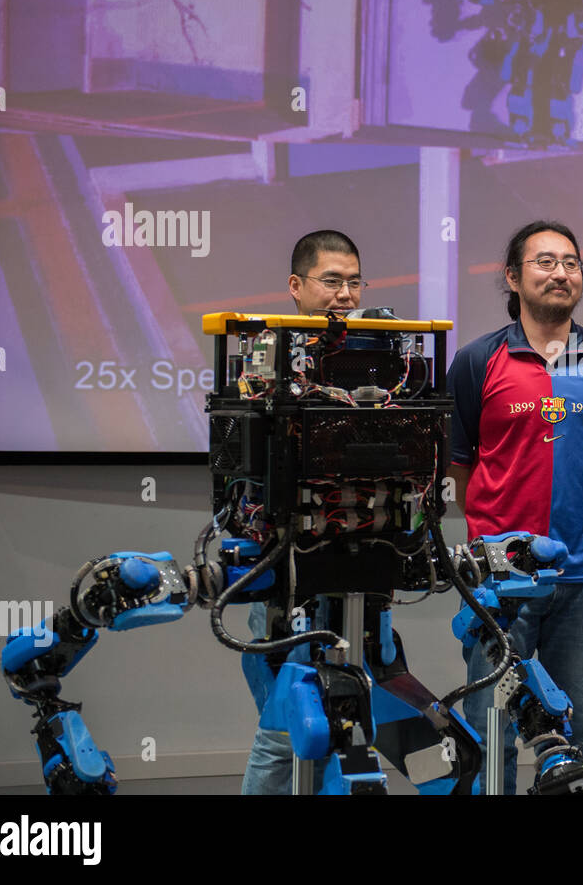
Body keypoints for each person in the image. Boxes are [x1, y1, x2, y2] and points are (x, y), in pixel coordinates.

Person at [448, 220, 583, 795]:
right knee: (491, 732)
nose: (561, 273)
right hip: (500, 587)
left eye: (572, 263)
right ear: (513, 277)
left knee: (577, 739)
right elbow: (462, 468)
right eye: (545, 262)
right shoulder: (477, 360)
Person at [241, 230, 365, 795]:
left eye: (354, 282)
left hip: (358, 555)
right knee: (285, 725)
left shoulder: (375, 357)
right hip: (283, 567)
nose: (346, 294)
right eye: (332, 281)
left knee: (352, 713)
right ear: (296, 286)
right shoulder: (264, 356)